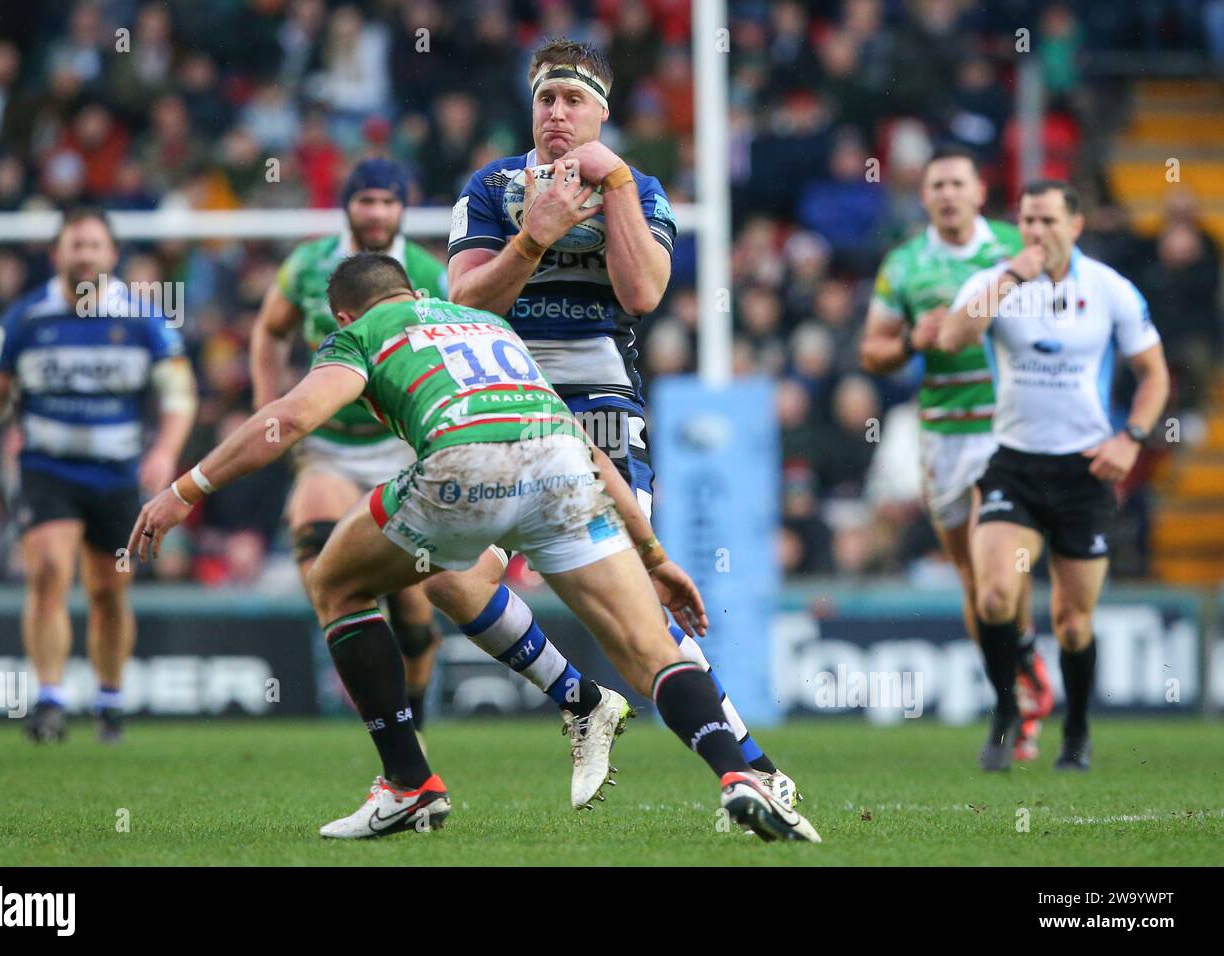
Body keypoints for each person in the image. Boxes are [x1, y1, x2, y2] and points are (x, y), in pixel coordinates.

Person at [130, 253, 822, 844]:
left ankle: (409, 782)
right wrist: (654, 554)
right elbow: (579, 441)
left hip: (469, 464)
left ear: (343, 315)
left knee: (337, 580)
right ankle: (740, 775)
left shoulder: (363, 331)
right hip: (561, 465)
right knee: (650, 650)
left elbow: (288, 419)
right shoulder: (489, 324)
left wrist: (184, 490)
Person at [440, 35, 803, 811]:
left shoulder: (641, 187)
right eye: (546, 99)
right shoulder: (493, 186)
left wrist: (621, 188)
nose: (557, 114)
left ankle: (751, 763)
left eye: (573, 100)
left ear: (601, 113)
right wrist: (534, 234)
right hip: (502, 405)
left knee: (632, 611)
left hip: (599, 411)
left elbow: (641, 294)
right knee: (439, 570)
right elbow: (464, 308)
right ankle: (579, 700)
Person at [937, 180, 1170, 771]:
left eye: (1048, 221)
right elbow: (951, 338)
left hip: (1084, 471)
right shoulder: (1000, 281)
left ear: (1077, 225)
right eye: (1028, 221)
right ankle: (1006, 708)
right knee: (993, 596)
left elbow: (1154, 374)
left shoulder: (1109, 289)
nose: (1037, 232)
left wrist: (1132, 438)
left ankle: (1079, 731)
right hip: (1013, 465)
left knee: (1071, 622)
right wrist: (1010, 278)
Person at [0, 206, 196, 743]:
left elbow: (179, 394)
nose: (84, 255)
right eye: (75, 245)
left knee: (108, 591)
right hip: (46, 467)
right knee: (49, 573)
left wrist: (165, 453)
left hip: (117, 474)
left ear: (112, 255)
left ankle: (109, 700)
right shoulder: (24, 318)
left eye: (94, 246)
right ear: (56, 254)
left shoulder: (143, 317)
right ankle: (51, 700)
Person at [859, 144, 1053, 761]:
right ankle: (1016, 671)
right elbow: (871, 351)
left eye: (957, 183)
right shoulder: (905, 264)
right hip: (942, 431)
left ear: (979, 190)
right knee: (974, 581)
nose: (946, 193)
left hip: (1009, 426)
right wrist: (912, 341)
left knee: (1001, 558)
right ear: (924, 196)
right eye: (936, 183)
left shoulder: (1011, 246)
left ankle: (1012, 686)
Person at [251, 158, 447, 735]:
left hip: (402, 448)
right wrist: (270, 409)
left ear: (403, 208)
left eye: (389, 201)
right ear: (348, 206)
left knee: (413, 611)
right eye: (367, 201)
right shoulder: (308, 264)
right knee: (319, 551)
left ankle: (410, 716)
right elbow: (269, 331)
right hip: (329, 447)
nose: (378, 212)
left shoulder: (429, 272)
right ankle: (375, 704)